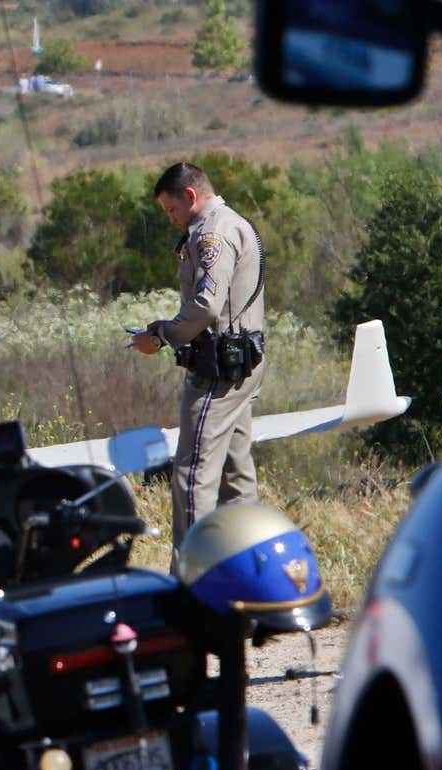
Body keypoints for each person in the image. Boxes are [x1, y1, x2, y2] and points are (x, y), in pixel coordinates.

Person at [130, 162, 266, 557]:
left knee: (193, 478)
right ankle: (244, 566)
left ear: (190, 196)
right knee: (236, 477)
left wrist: (161, 336)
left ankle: (192, 578)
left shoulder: (212, 234)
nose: (171, 220)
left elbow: (206, 305)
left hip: (216, 373)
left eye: (171, 210)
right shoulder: (233, 222)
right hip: (244, 366)